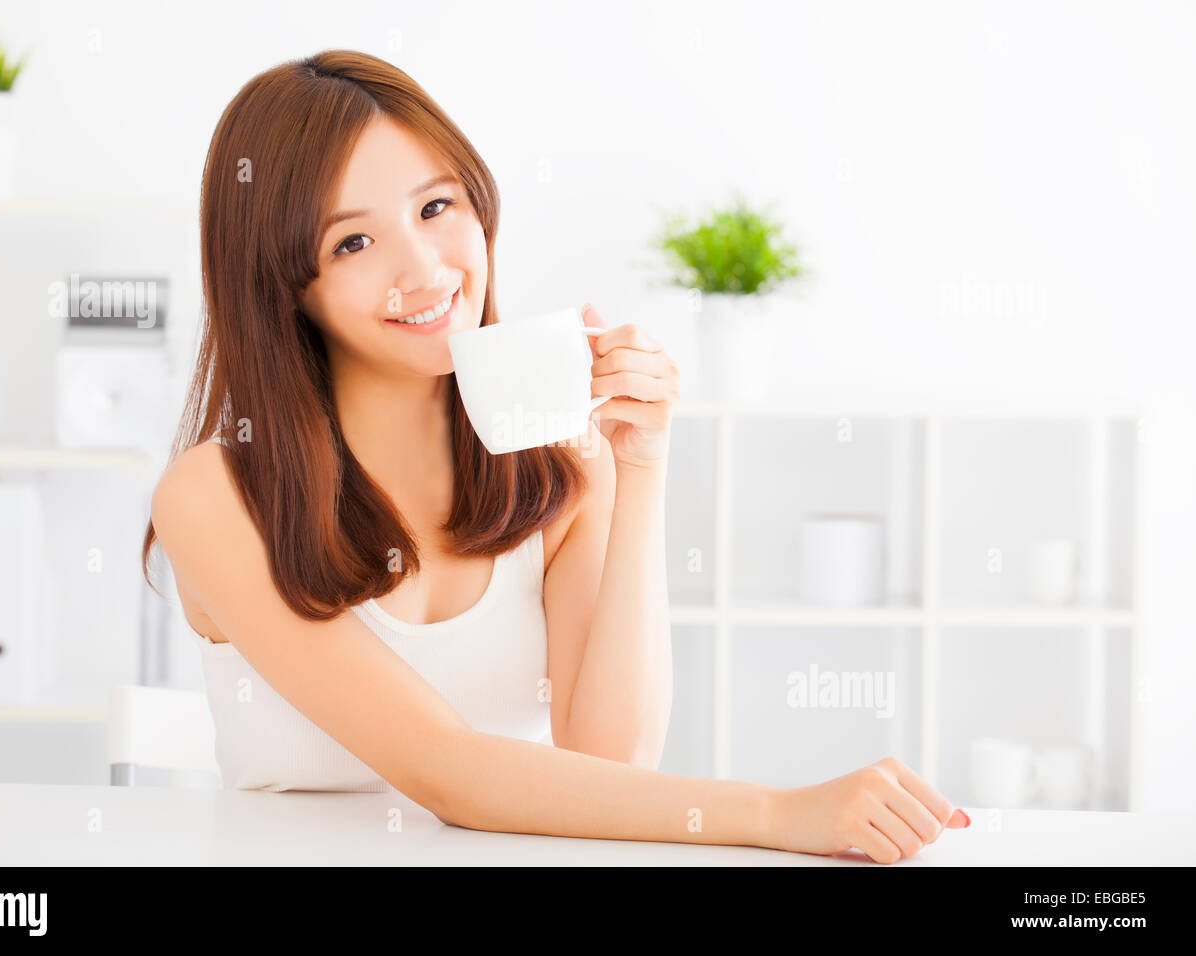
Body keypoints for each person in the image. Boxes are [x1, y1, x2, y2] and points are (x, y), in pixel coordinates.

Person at [142, 49, 970, 863]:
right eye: (352, 244)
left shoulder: (562, 462)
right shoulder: (217, 495)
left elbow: (608, 767)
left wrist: (638, 469)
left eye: (436, 208)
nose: (425, 269)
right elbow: (446, 771)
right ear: (284, 284)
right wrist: (776, 811)